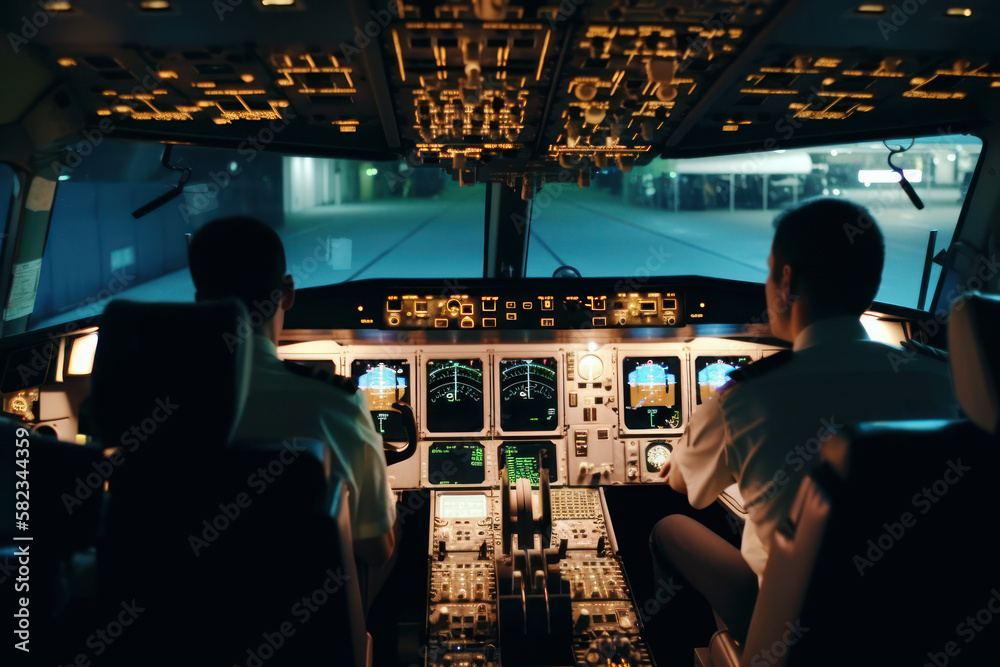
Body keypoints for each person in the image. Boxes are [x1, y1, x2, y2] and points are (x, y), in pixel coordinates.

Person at [650, 197, 958, 642]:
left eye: (769, 272)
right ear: (870, 281)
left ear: (786, 282)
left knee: (670, 529)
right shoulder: (944, 378)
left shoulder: (744, 398)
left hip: (795, 635)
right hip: (925, 622)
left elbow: (685, 486)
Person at [187, 215, 399, 607]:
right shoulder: (335, 403)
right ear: (286, 293)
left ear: (202, 301)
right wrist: (385, 496)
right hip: (309, 631)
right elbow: (376, 548)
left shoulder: (154, 400)